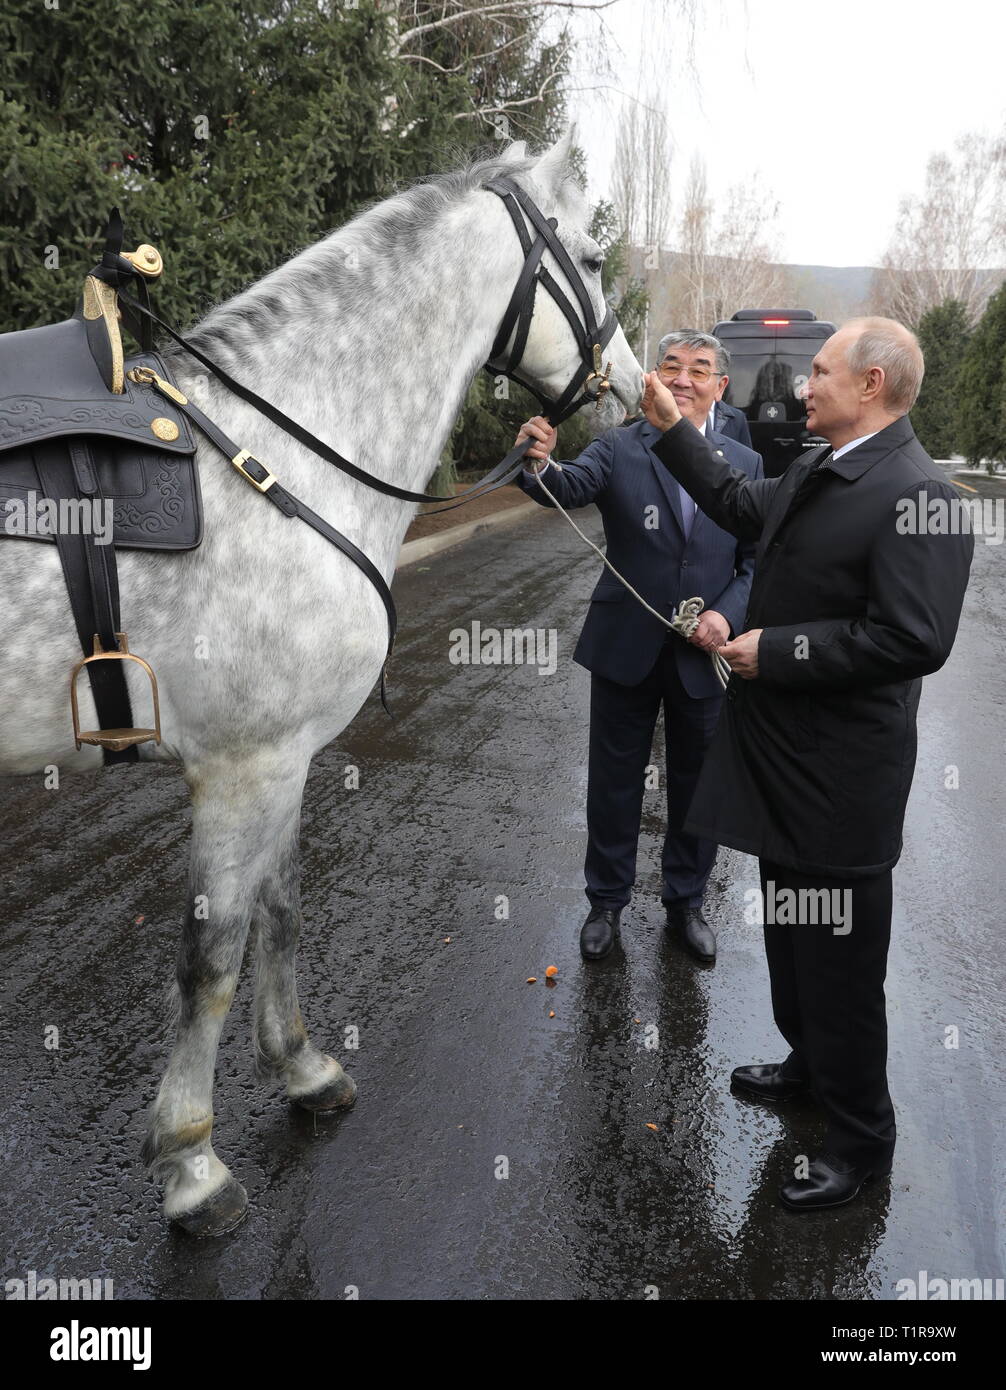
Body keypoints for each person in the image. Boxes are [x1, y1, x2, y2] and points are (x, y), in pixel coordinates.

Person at [639, 317, 974, 1209]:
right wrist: (671, 424)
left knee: (841, 963)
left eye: (819, 373)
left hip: (841, 785)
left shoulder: (923, 494)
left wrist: (773, 651)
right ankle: (809, 1067)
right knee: (792, 935)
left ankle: (863, 1142)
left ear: (871, 384)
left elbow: (912, 638)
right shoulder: (821, 469)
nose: (799, 389)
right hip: (783, 766)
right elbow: (742, 506)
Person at [516, 331, 763, 964]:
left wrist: (725, 616)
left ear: (720, 387)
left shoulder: (743, 461)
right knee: (615, 782)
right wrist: (542, 462)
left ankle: (686, 902)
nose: (683, 379)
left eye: (700, 370)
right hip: (625, 643)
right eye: (672, 367)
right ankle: (606, 903)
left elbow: (754, 562)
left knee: (697, 785)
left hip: (701, 654)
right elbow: (567, 488)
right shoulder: (622, 445)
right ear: (655, 376)